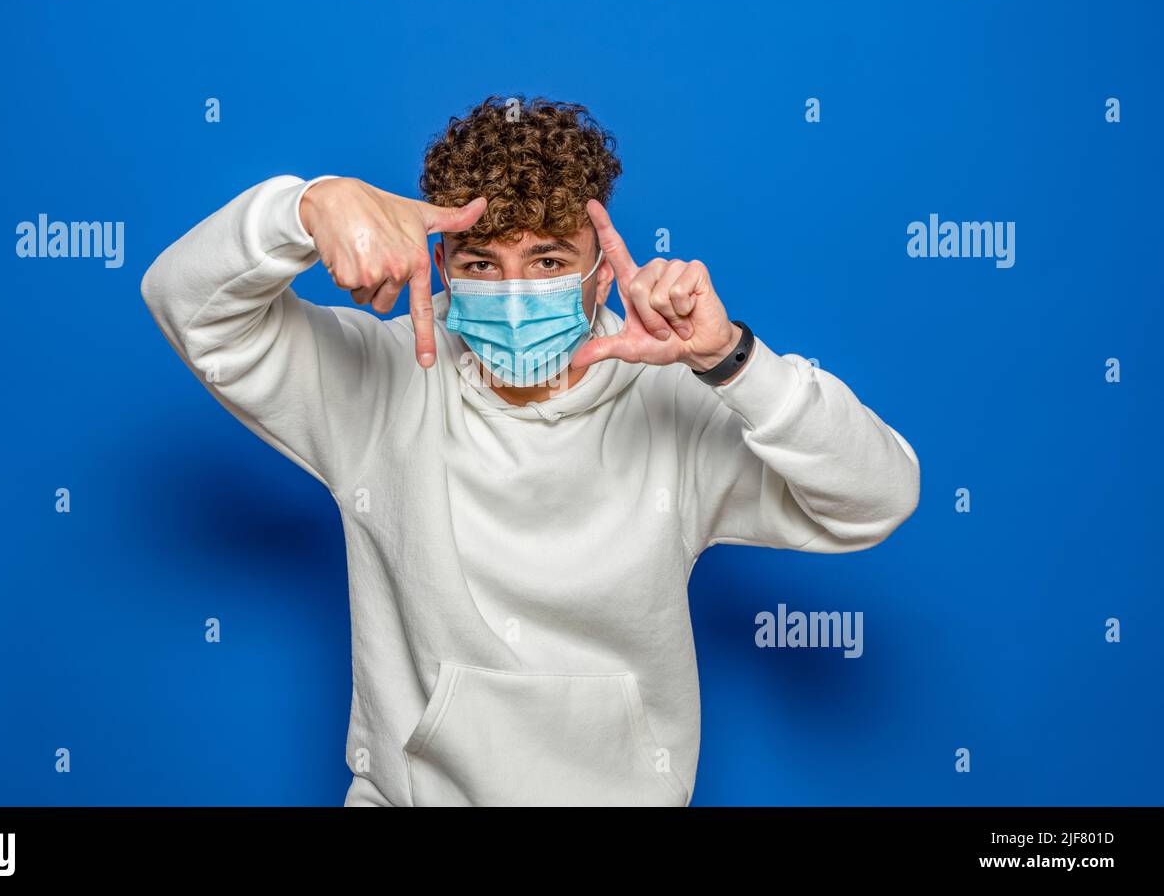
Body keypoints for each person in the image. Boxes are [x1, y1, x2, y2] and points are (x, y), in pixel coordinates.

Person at [140, 95, 920, 806]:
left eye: (547, 261)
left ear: (598, 269)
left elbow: (878, 496)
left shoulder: (674, 407)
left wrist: (730, 361)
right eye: (483, 264)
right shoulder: (376, 383)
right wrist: (304, 207)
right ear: (439, 262)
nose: (514, 295)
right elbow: (186, 302)